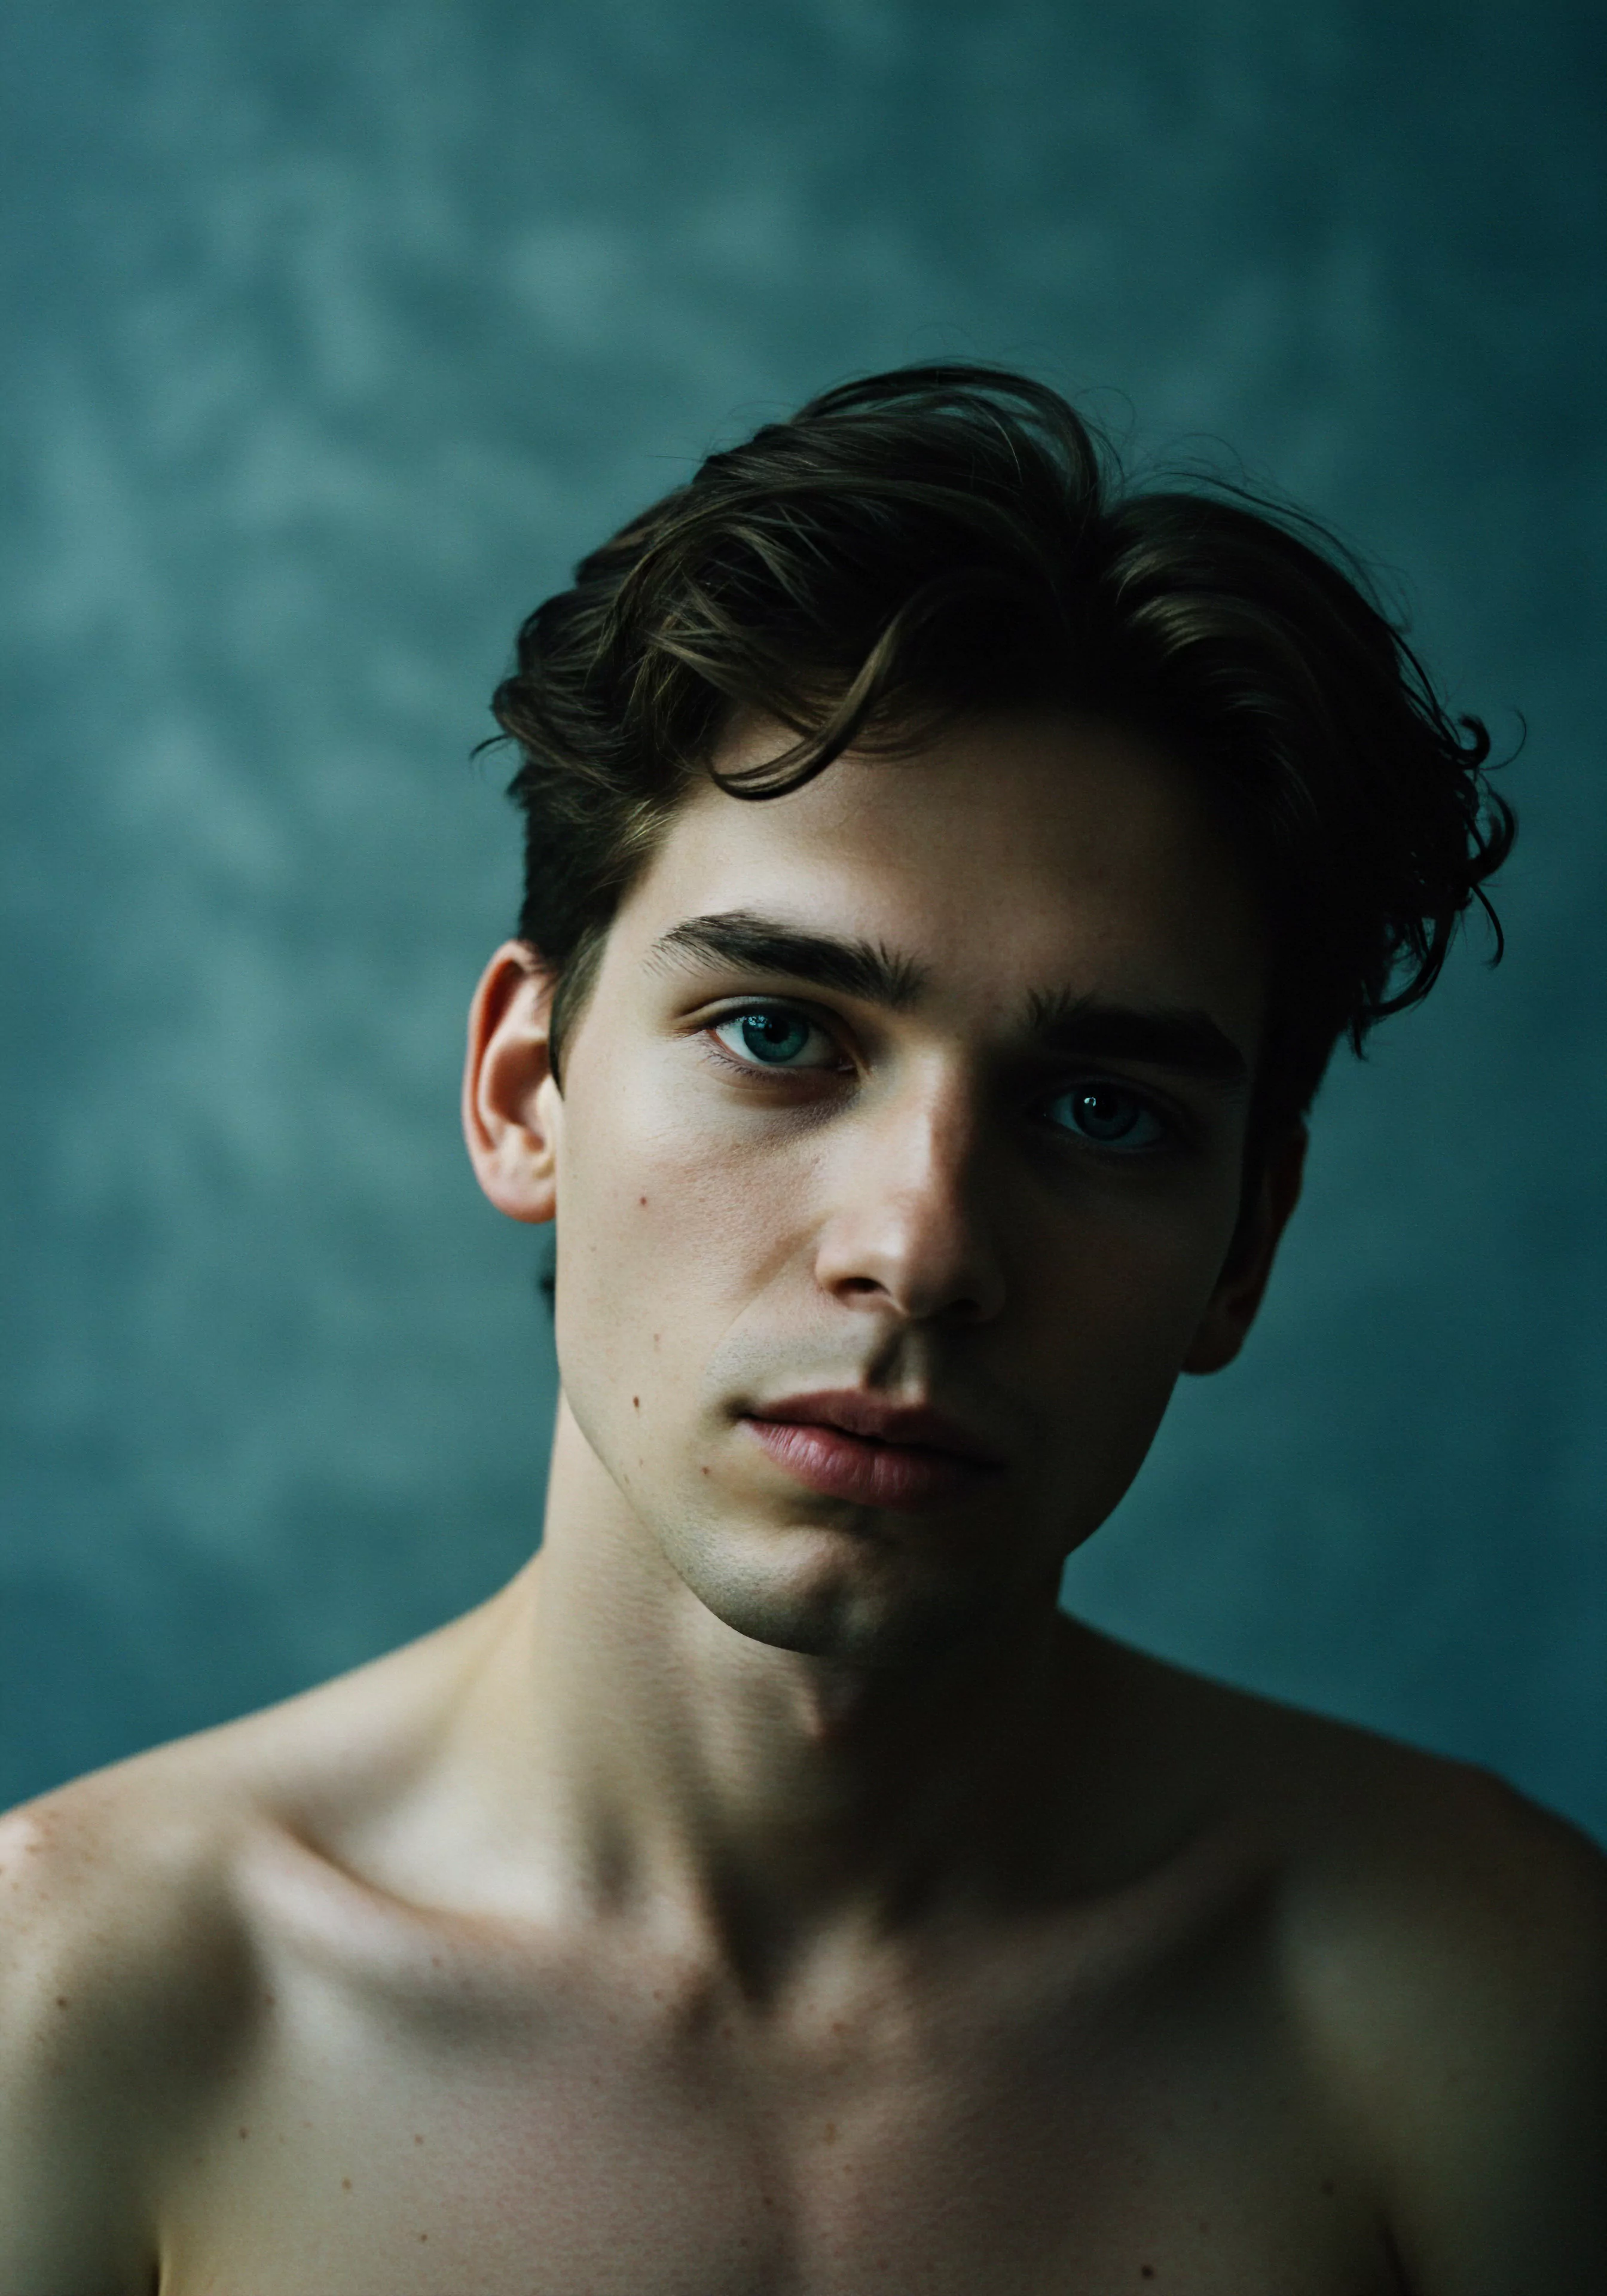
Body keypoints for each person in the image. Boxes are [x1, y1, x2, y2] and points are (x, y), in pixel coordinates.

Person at [3, 366, 1602, 2294]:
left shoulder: (1496, 2006)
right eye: (778, 1034)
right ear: (523, 1090)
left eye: (1105, 1111)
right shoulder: (72, 2010)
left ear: (1246, 1245)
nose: (921, 1251)